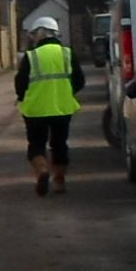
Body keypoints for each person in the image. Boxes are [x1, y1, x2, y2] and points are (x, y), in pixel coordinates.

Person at [15, 14, 85, 197]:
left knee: (36, 145)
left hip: (36, 109)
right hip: (62, 108)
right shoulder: (67, 54)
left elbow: (20, 83)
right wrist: (66, 92)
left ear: (39, 33)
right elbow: (79, 80)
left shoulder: (31, 56)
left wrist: (23, 97)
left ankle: (43, 171)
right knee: (60, 145)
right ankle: (59, 182)